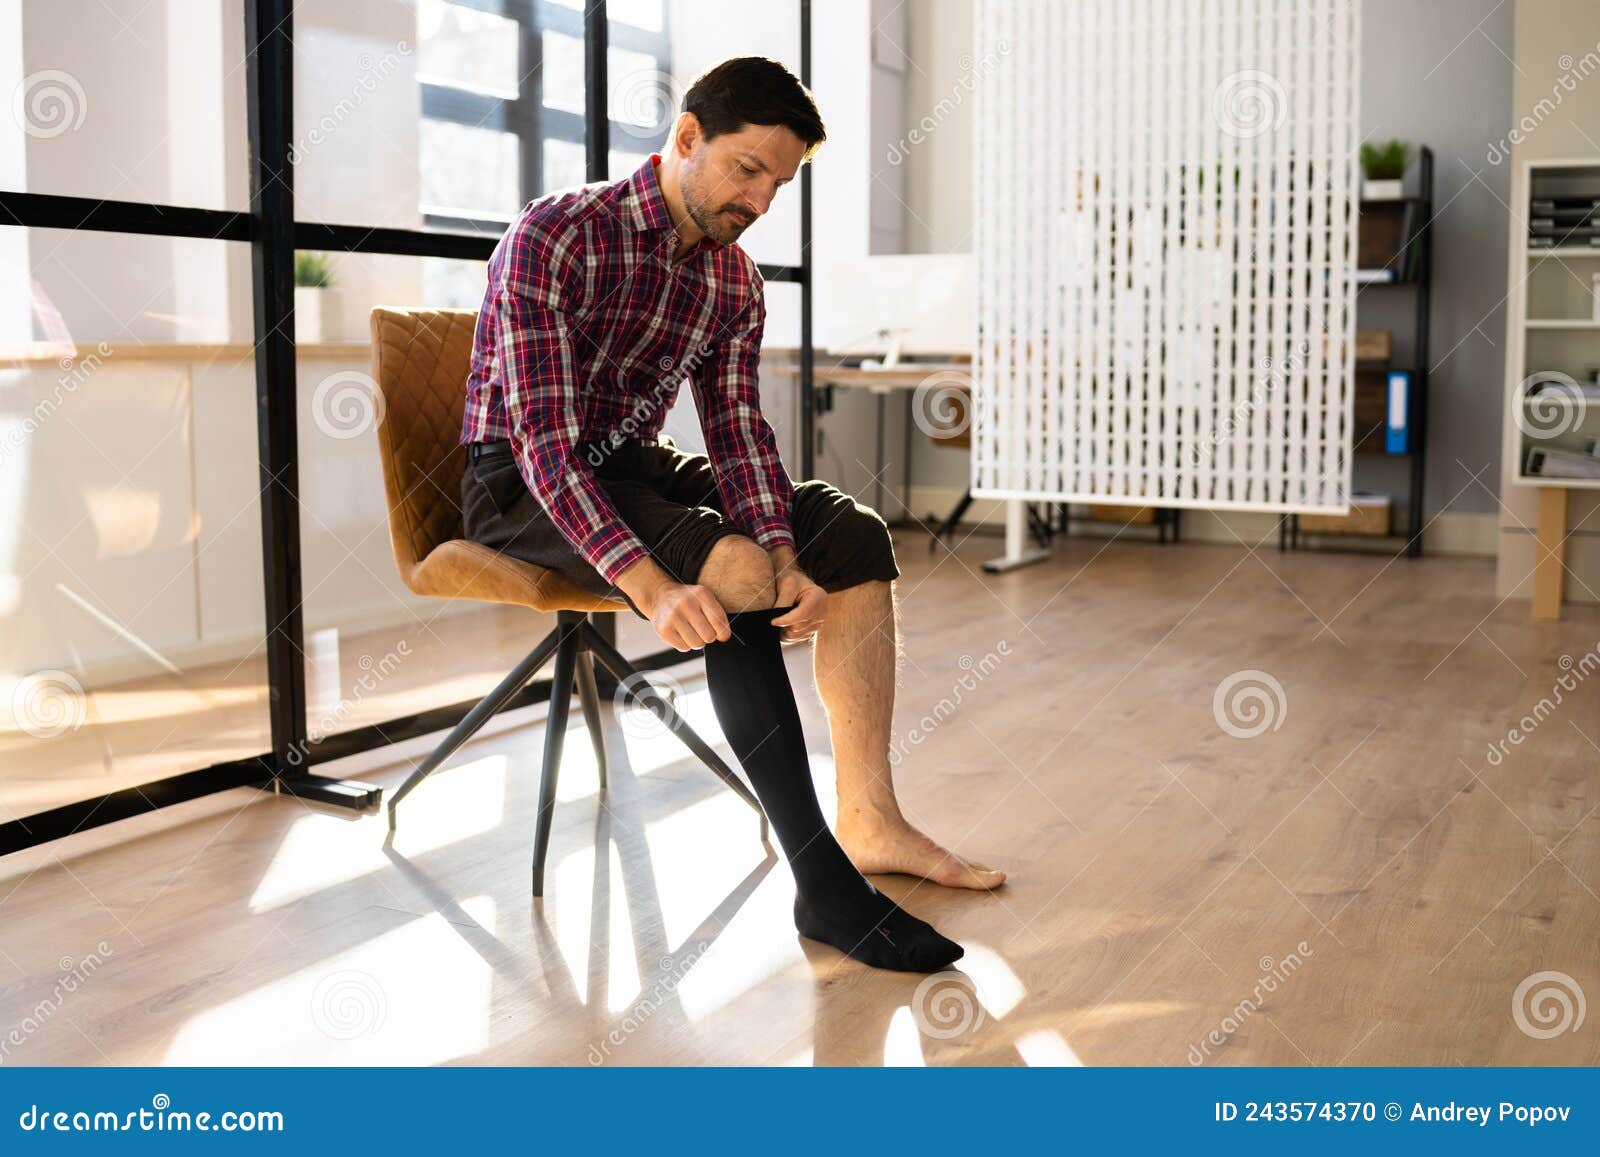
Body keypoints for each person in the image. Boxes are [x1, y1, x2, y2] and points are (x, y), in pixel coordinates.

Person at [459, 56, 1004, 969]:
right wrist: (649, 583)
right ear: (686, 139)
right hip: (515, 477)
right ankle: (823, 883)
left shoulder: (732, 281)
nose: (759, 199)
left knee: (856, 539)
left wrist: (789, 550)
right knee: (736, 573)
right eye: (747, 169)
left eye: (779, 183)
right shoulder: (553, 236)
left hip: (628, 463)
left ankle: (871, 822)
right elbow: (546, 445)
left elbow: (738, 432)